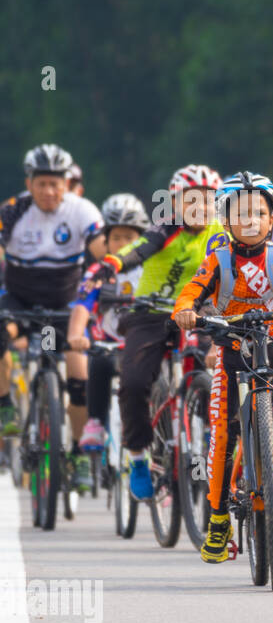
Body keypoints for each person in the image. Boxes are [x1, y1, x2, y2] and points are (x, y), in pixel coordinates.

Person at [172, 172, 273, 562]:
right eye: (240, 214)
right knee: (221, 439)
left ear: (271, 220)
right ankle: (217, 521)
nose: (250, 221)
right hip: (231, 346)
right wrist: (184, 311)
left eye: (258, 213)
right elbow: (192, 292)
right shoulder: (217, 259)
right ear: (226, 221)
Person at [84, 163, 224, 500]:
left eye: (207, 201)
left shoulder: (222, 231)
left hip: (199, 312)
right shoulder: (166, 228)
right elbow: (139, 250)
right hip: (152, 313)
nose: (199, 209)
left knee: (222, 369)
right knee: (132, 384)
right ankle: (138, 458)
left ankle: (214, 440)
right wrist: (111, 265)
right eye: (191, 201)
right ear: (175, 203)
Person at [0, 145, 103, 439]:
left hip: (66, 303)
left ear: (67, 184)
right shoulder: (11, 210)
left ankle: (80, 451)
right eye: (41, 183)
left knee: (79, 379)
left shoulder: (82, 210)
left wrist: (108, 280)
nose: (48, 191)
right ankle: (5, 402)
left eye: (55, 184)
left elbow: (102, 252)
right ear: (28, 184)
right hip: (20, 301)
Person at [67, 194, 149, 469]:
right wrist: (76, 335)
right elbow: (82, 306)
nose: (123, 244)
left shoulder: (154, 268)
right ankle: (95, 423)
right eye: (116, 238)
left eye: (130, 238)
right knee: (99, 363)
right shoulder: (98, 272)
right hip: (110, 346)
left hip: (145, 345)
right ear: (105, 242)